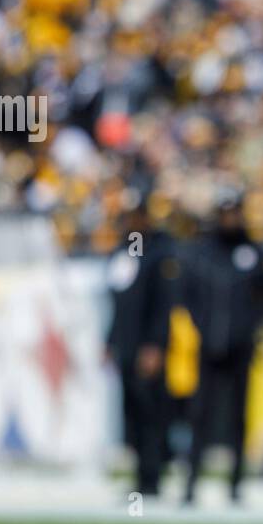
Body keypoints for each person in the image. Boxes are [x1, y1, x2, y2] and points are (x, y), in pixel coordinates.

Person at [181, 187, 263, 505]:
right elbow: (188, 295)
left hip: (240, 347)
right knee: (200, 415)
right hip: (207, 347)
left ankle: (235, 485)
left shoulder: (253, 252)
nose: (230, 219)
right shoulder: (202, 252)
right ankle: (191, 483)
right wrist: (202, 326)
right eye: (225, 213)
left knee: (238, 416)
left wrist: (250, 328)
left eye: (235, 212)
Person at [106, 202, 180, 497]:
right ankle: (141, 475)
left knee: (151, 413)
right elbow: (119, 305)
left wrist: (155, 345)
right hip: (126, 345)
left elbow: (164, 306)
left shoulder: (158, 255)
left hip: (146, 349)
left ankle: (153, 477)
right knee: (132, 415)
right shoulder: (123, 254)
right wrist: (110, 341)